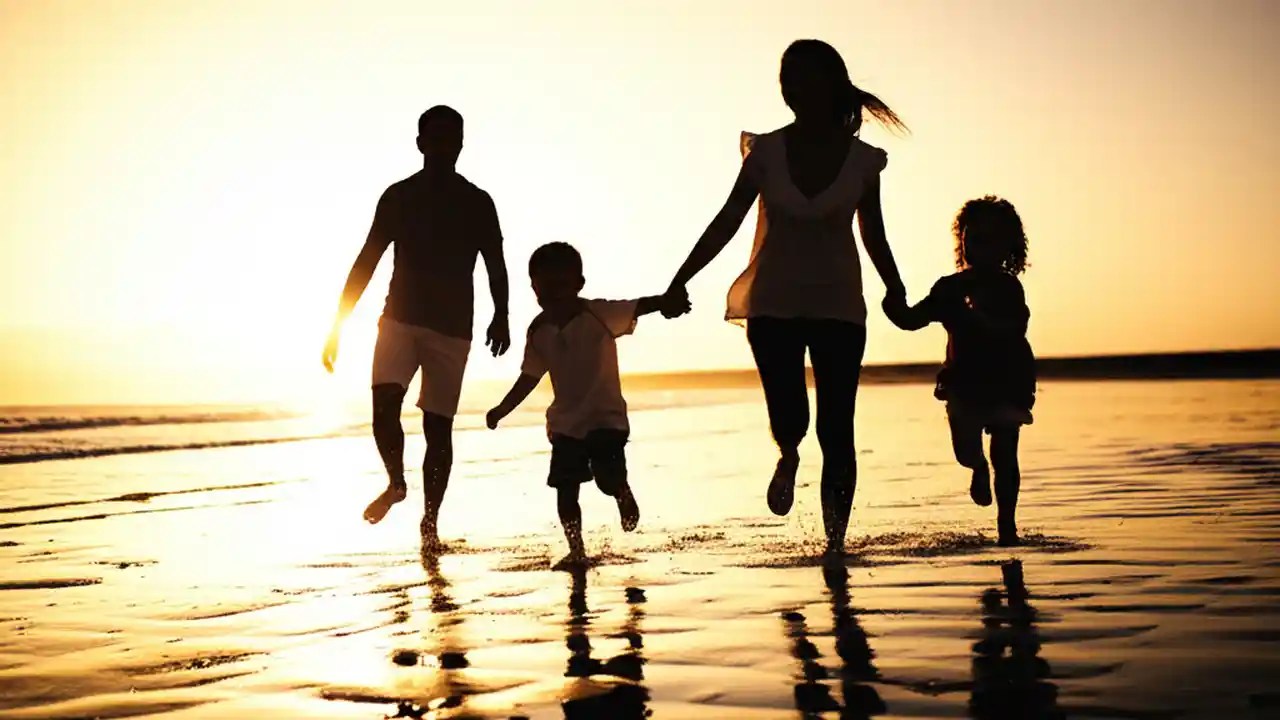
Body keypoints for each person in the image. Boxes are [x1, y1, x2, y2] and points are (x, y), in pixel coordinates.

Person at [664, 39, 908, 556]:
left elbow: (874, 233)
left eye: (801, 76)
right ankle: (788, 453)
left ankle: (835, 546)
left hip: (839, 305)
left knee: (837, 428)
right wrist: (681, 278)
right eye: (785, 78)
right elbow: (727, 221)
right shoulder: (766, 154)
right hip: (772, 302)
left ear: (830, 83)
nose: (791, 87)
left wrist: (895, 287)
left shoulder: (863, 162)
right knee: (790, 416)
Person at [322, 105, 511, 548]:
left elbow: (496, 264)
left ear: (460, 145)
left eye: (451, 138)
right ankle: (396, 482)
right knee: (384, 408)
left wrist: (501, 314)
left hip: (452, 329)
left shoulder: (478, 202)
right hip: (399, 320)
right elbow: (367, 259)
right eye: (435, 138)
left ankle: (430, 521)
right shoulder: (398, 197)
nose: (443, 146)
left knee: (437, 429)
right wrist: (338, 324)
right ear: (420, 143)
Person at [486, 242, 689, 568]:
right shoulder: (538, 331)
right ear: (534, 289)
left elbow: (639, 306)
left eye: (561, 285)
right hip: (565, 424)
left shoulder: (598, 313)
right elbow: (529, 377)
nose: (552, 294)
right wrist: (501, 409)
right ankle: (577, 549)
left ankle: (620, 491)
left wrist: (668, 301)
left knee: (606, 477)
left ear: (579, 284)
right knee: (565, 489)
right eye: (544, 287)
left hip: (606, 419)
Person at [883, 196, 1035, 546]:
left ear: (1006, 248)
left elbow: (1016, 328)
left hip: (1007, 380)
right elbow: (913, 319)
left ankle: (1007, 526)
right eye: (971, 238)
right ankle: (977, 467)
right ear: (961, 241)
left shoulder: (1008, 287)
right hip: (964, 383)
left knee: (1006, 453)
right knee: (965, 447)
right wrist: (894, 305)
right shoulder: (948, 288)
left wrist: (979, 319)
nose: (978, 247)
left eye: (988, 240)